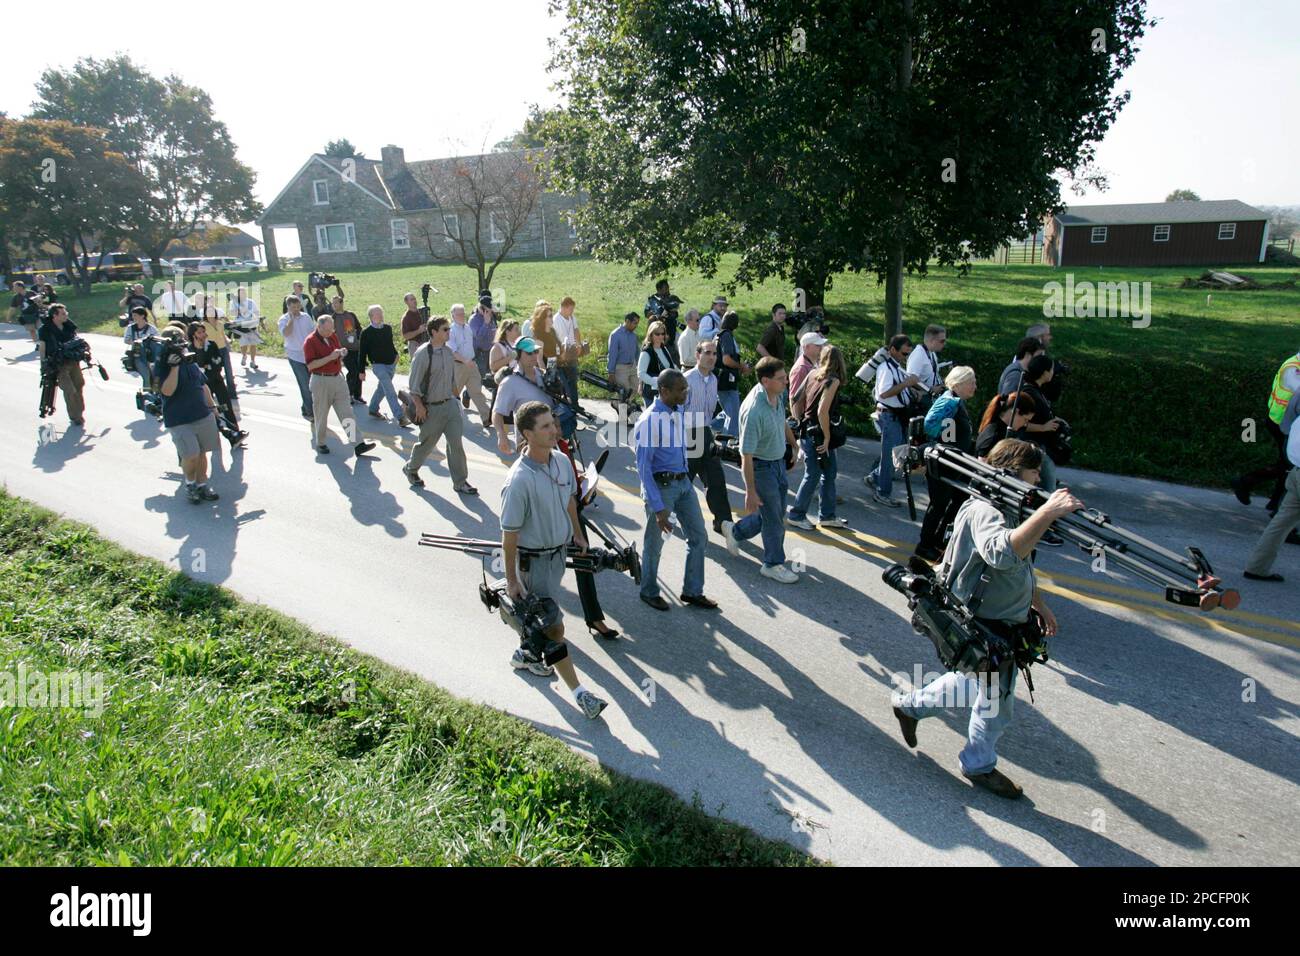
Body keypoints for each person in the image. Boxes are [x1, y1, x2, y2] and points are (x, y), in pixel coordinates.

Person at [892, 438, 1080, 799]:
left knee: (973, 682)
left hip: (1001, 622)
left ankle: (910, 707)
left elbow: (1020, 566)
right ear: (1012, 470)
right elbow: (1002, 555)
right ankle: (978, 764)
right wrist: (1047, 513)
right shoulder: (986, 511)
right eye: (1033, 470)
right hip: (984, 625)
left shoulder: (1007, 507)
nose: (1039, 476)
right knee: (996, 701)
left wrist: (1038, 604)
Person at [500, 401, 609, 719]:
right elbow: (509, 536)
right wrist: (510, 581)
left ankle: (526, 653)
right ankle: (581, 694)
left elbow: (570, 501)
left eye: (553, 423)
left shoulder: (561, 461)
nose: (554, 430)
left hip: (559, 553)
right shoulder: (518, 481)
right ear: (526, 434)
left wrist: (578, 534)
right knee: (554, 627)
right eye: (545, 426)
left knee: (539, 624)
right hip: (533, 563)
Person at [634, 369, 718, 612]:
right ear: (664, 391)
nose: (686, 392)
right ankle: (648, 591)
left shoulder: (678, 411)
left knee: (699, 537)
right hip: (662, 489)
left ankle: (692, 591)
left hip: (683, 485)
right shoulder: (649, 421)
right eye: (681, 389)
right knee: (655, 544)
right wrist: (658, 508)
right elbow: (643, 468)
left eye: (686, 388)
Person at [722, 357, 800, 582]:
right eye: (781, 378)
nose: (786, 381)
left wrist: (793, 445)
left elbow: (782, 420)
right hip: (761, 468)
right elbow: (746, 456)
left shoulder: (777, 393)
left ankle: (735, 532)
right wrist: (750, 491)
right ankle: (772, 564)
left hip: (777, 464)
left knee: (773, 513)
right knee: (775, 519)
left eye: (785, 377)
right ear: (765, 381)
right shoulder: (754, 411)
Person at [401, 316, 476, 494]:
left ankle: (460, 482)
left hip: (449, 406)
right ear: (434, 332)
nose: (449, 332)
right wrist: (419, 406)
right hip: (430, 408)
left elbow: (452, 382)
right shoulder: (422, 354)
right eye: (445, 329)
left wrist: (457, 402)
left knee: (456, 443)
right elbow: (414, 386)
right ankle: (411, 468)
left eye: (449, 329)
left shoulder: (448, 352)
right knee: (426, 444)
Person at [915, 366, 978, 562]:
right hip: (945, 463)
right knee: (939, 505)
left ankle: (939, 540)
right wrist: (946, 447)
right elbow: (932, 426)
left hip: (955, 463)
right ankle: (925, 546)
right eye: (972, 382)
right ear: (959, 383)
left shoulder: (955, 401)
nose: (975, 386)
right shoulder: (950, 401)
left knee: (956, 502)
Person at [156, 329, 222, 505]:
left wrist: (212, 406)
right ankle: (190, 484)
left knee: (202, 454)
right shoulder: (161, 365)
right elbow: (167, 391)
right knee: (191, 454)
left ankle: (202, 484)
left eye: (182, 341)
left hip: (201, 414)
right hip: (179, 419)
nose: (182, 345)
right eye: (177, 342)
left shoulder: (190, 361)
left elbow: (203, 385)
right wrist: (174, 368)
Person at [787, 345, 849, 530]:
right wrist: (828, 438)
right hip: (820, 434)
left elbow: (795, 398)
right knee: (813, 474)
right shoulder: (833, 380)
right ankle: (797, 514)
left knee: (829, 473)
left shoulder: (812, 373)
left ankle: (827, 515)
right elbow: (823, 411)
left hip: (808, 431)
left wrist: (799, 421)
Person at [1232, 348, 1300, 514]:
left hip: (1286, 422)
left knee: (1287, 466)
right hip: (1282, 424)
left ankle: (1273, 501)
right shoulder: (1293, 370)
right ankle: (1249, 484)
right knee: (1290, 466)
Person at [302, 314, 377, 459]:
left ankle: (358, 444)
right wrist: (330, 357)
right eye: (328, 330)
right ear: (319, 327)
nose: (331, 333)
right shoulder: (309, 342)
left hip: (337, 378)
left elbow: (337, 350)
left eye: (332, 329)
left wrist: (341, 353)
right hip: (321, 380)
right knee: (321, 413)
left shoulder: (332, 336)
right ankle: (321, 442)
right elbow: (311, 365)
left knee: (347, 412)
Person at [1244, 392, 1300, 581]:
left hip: (1296, 470)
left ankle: (1256, 567)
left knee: (1280, 523)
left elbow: (1286, 423)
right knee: (1282, 522)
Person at [683, 340, 734, 535]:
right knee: (682, 481)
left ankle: (723, 522)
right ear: (697, 355)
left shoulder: (713, 380)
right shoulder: (686, 379)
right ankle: (664, 515)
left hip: (705, 432)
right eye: (707, 353)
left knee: (716, 479)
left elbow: (711, 412)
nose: (712, 357)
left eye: (714, 353)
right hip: (689, 434)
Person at [492, 337, 576, 453]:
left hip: (552, 436)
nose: (534, 356)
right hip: (529, 442)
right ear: (517, 355)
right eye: (529, 353)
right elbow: (497, 413)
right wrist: (501, 436)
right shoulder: (510, 382)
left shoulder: (542, 374)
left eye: (535, 352)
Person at [865, 334, 919, 508]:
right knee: (891, 456)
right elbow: (883, 393)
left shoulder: (895, 367)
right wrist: (906, 384)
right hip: (888, 415)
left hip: (896, 415)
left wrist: (910, 389)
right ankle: (882, 493)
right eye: (904, 354)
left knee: (898, 452)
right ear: (892, 350)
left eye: (908, 354)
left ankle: (875, 477)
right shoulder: (886, 368)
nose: (906, 358)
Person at [187, 322, 246, 441]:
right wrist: (200, 351)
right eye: (199, 333)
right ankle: (218, 434)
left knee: (226, 406)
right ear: (193, 335)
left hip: (217, 380)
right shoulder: (191, 349)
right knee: (210, 410)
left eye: (203, 332)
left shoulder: (212, 345)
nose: (203, 335)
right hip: (203, 385)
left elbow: (218, 362)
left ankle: (235, 431)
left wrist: (208, 366)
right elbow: (198, 366)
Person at [1015, 353, 1065, 494]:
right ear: (1045, 373)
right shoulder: (1029, 391)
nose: (1053, 373)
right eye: (1052, 369)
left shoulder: (1037, 389)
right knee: (1048, 487)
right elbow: (1019, 421)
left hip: (1039, 445)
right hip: (1030, 445)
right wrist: (1043, 427)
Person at [37, 305, 86, 426]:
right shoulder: (45, 329)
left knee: (79, 384)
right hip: (58, 365)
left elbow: (77, 340)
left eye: (66, 312)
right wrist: (43, 364)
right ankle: (75, 416)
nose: (66, 315)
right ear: (55, 315)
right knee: (70, 389)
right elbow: (42, 348)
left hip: (73, 362)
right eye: (63, 313)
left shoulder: (69, 326)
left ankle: (80, 412)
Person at [360, 305, 409, 426]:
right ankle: (400, 417)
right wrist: (361, 371)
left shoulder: (387, 328)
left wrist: (396, 355)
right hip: (378, 365)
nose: (381, 315)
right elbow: (362, 352)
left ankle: (372, 409)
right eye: (378, 314)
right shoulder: (366, 332)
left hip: (391, 364)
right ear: (371, 316)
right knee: (389, 390)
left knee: (382, 388)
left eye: (381, 313)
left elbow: (390, 345)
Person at [193, 292, 238, 414]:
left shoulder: (220, 323)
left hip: (223, 348)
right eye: (208, 311)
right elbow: (203, 338)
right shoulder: (204, 325)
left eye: (213, 311)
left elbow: (223, 336)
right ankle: (214, 395)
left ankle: (232, 393)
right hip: (213, 351)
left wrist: (228, 343)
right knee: (216, 372)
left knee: (229, 370)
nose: (211, 313)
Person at [448, 303, 493, 427]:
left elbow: (476, 341)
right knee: (453, 395)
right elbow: (453, 351)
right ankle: (449, 418)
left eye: (463, 313)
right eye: (459, 314)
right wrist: (465, 361)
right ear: (453, 316)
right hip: (458, 366)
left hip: (471, 363)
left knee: (477, 391)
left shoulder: (467, 328)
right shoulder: (451, 331)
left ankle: (486, 418)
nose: (462, 316)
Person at [278, 296, 316, 420]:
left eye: (297, 306)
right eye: (292, 307)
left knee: (313, 384)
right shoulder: (284, 319)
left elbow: (312, 333)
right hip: (295, 356)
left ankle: (306, 407)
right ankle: (310, 412)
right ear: (288, 307)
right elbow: (286, 333)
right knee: (304, 384)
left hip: (309, 354)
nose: (295, 309)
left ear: (300, 305)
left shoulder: (306, 317)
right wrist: (292, 320)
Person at [712, 311, 749, 437]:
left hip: (721, 380)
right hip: (726, 381)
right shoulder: (727, 336)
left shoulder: (719, 335)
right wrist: (741, 366)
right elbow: (726, 360)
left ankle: (709, 427)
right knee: (733, 414)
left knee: (729, 411)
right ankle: (727, 444)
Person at [975, 391, 1036, 459]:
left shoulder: (997, 428)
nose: (1025, 424)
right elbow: (982, 463)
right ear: (1015, 411)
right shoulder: (995, 434)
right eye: (1025, 419)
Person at [553, 296, 588, 408]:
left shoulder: (572, 317)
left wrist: (578, 344)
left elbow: (576, 330)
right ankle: (566, 405)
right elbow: (556, 340)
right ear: (563, 307)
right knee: (563, 383)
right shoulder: (556, 320)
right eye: (571, 309)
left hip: (572, 353)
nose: (572, 311)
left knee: (573, 380)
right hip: (561, 355)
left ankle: (575, 404)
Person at [329, 294, 364, 403]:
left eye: (336, 302)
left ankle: (358, 396)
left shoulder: (350, 315)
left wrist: (358, 339)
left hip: (356, 348)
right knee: (352, 371)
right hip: (343, 350)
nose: (334, 305)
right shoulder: (332, 318)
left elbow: (358, 328)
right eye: (332, 303)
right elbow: (329, 334)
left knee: (359, 371)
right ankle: (348, 395)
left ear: (341, 303)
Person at [637, 320, 679, 408]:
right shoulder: (647, 351)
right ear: (651, 335)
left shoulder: (663, 348)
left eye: (662, 333)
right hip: (651, 393)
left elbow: (672, 366)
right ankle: (623, 419)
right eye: (657, 334)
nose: (660, 336)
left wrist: (681, 375)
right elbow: (641, 373)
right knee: (653, 420)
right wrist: (656, 382)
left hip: (665, 393)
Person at [606, 312, 641, 414]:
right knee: (624, 392)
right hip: (620, 367)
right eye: (634, 323)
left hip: (632, 366)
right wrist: (611, 372)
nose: (636, 326)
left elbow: (637, 352)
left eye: (637, 323)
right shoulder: (616, 335)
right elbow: (612, 355)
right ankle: (622, 418)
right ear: (627, 321)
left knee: (636, 387)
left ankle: (617, 404)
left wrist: (639, 365)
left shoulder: (634, 336)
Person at [788, 331, 827, 421]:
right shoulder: (801, 368)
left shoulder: (813, 363)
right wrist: (799, 423)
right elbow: (794, 399)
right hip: (805, 420)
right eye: (818, 345)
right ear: (806, 347)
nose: (822, 347)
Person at [906, 324, 947, 402]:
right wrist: (930, 390)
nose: (944, 344)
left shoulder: (931, 353)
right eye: (942, 341)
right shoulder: (918, 355)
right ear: (932, 340)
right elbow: (911, 379)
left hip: (933, 397)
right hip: (924, 399)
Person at [122, 305, 159, 392]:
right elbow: (126, 340)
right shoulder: (131, 328)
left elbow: (158, 340)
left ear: (142, 316)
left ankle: (155, 395)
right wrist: (136, 342)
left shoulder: (151, 328)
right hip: (137, 356)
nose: (133, 317)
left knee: (155, 376)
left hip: (150, 356)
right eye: (133, 315)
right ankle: (147, 395)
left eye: (135, 315)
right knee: (146, 376)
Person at [645, 279, 684, 357]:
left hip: (671, 331)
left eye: (668, 288)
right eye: (665, 289)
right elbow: (647, 314)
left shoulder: (670, 298)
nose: (667, 290)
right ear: (659, 289)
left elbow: (675, 314)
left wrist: (668, 311)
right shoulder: (652, 300)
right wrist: (655, 315)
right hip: (658, 332)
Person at [228, 285, 263, 370]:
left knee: (253, 344)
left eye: (244, 292)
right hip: (240, 326)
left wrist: (259, 319)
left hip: (251, 324)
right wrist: (239, 310)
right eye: (241, 292)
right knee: (243, 344)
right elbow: (232, 313)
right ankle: (244, 355)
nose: (243, 294)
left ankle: (253, 361)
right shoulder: (234, 302)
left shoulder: (251, 302)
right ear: (238, 294)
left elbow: (256, 312)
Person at [469, 295, 498, 378]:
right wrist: (485, 323)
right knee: (480, 378)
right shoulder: (474, 320)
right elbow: (478, 337)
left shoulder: (491, 317)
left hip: (491, 352)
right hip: (480, 354)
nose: (490, 313)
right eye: (488, 311)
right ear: (482, 309)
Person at [8, 280, 42, 348]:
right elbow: (12, 308)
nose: (13, 288)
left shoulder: (31, 293)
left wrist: (38, 300)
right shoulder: (16, 297)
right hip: (26, 316)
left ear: (20, 286)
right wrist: (9, 317)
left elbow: (40, 300)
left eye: (15, 287)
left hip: (36, 313)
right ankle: (37, 344)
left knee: (40, 329)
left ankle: (43, 342)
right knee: (32, 330)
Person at [400, 291, 428, 356]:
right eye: (412, 299)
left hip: (426, 343)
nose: (414, 301)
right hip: (414, 345)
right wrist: (419, 331)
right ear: (406, 302)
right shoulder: (406, 317)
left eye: (414, 299)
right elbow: (406, 336)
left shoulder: (422, 312)